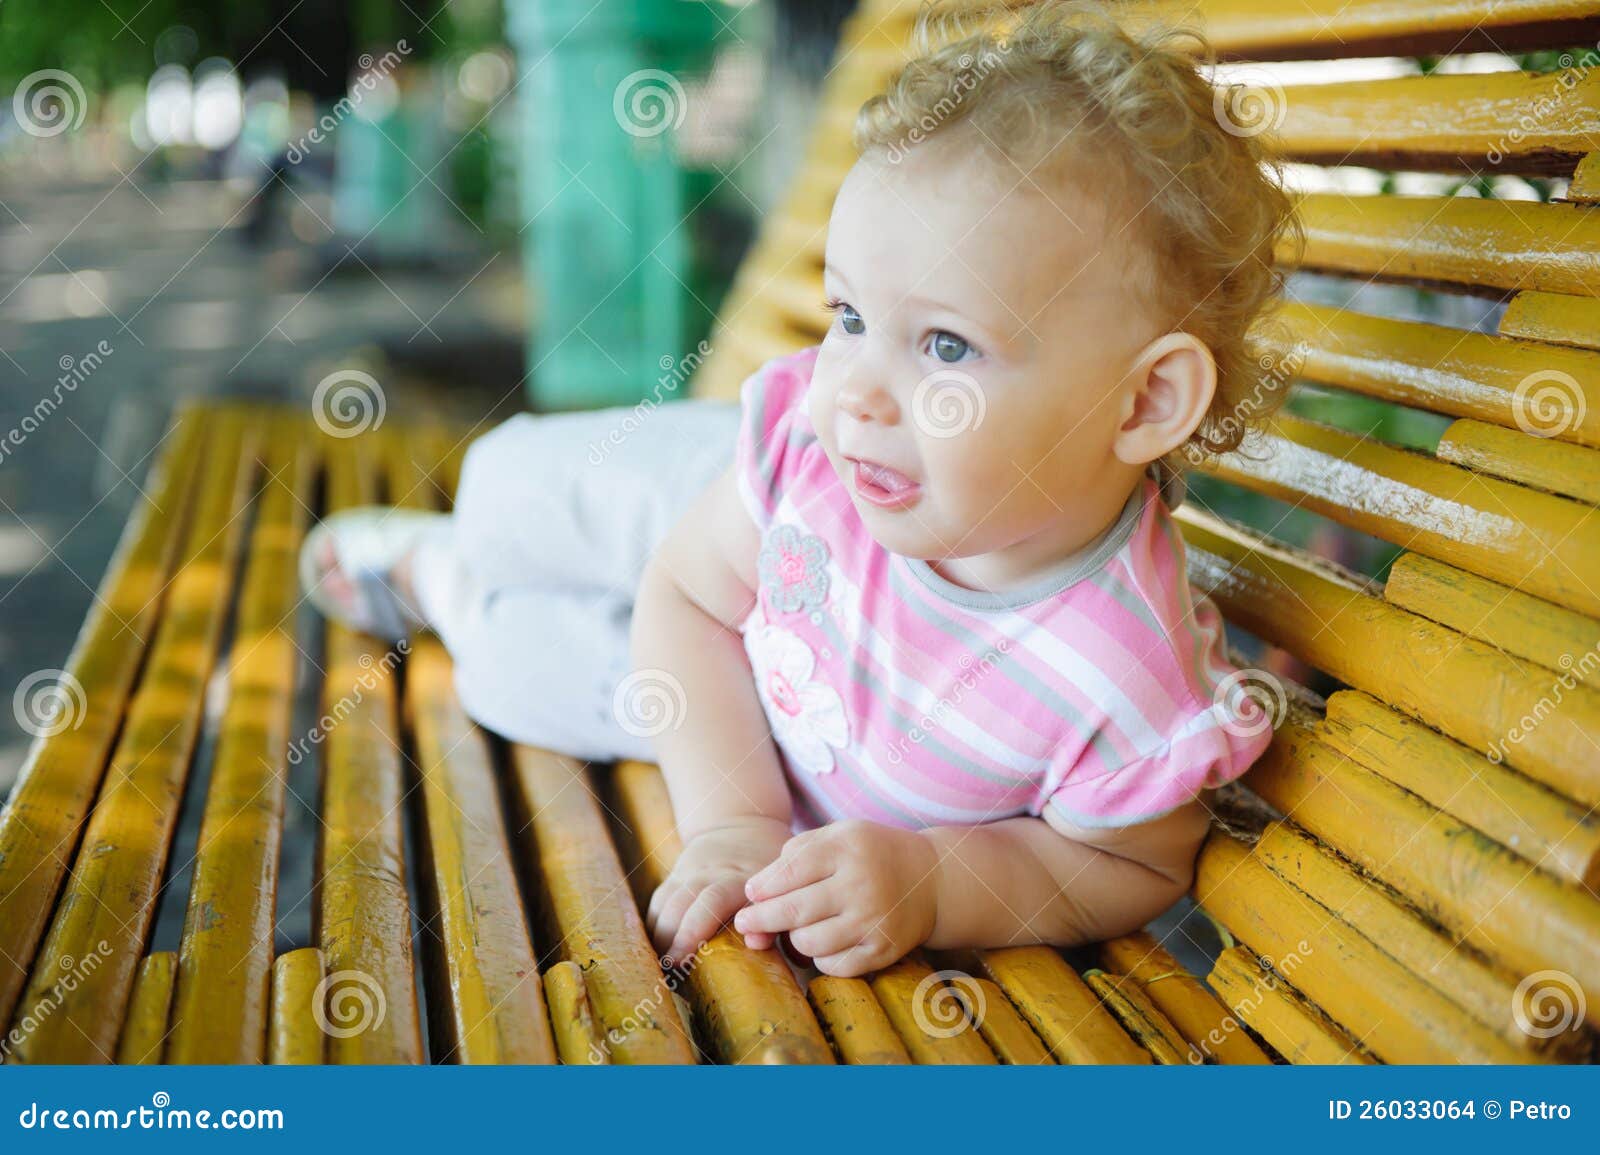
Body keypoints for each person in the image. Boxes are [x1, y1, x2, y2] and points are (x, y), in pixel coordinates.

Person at [300, 0, 1300, 979]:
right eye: (849, 316)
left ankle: (436, 581)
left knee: (512, 672)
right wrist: (731, 826)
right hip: (734, 521)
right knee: (508, 489)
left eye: (945, 344)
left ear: (1144, 403)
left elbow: (1120, 868)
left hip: (772, 715)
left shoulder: (1126, 678)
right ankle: (459, 540)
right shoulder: (822, 447)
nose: (852, 389)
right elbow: (686, 593)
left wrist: (937, 881)